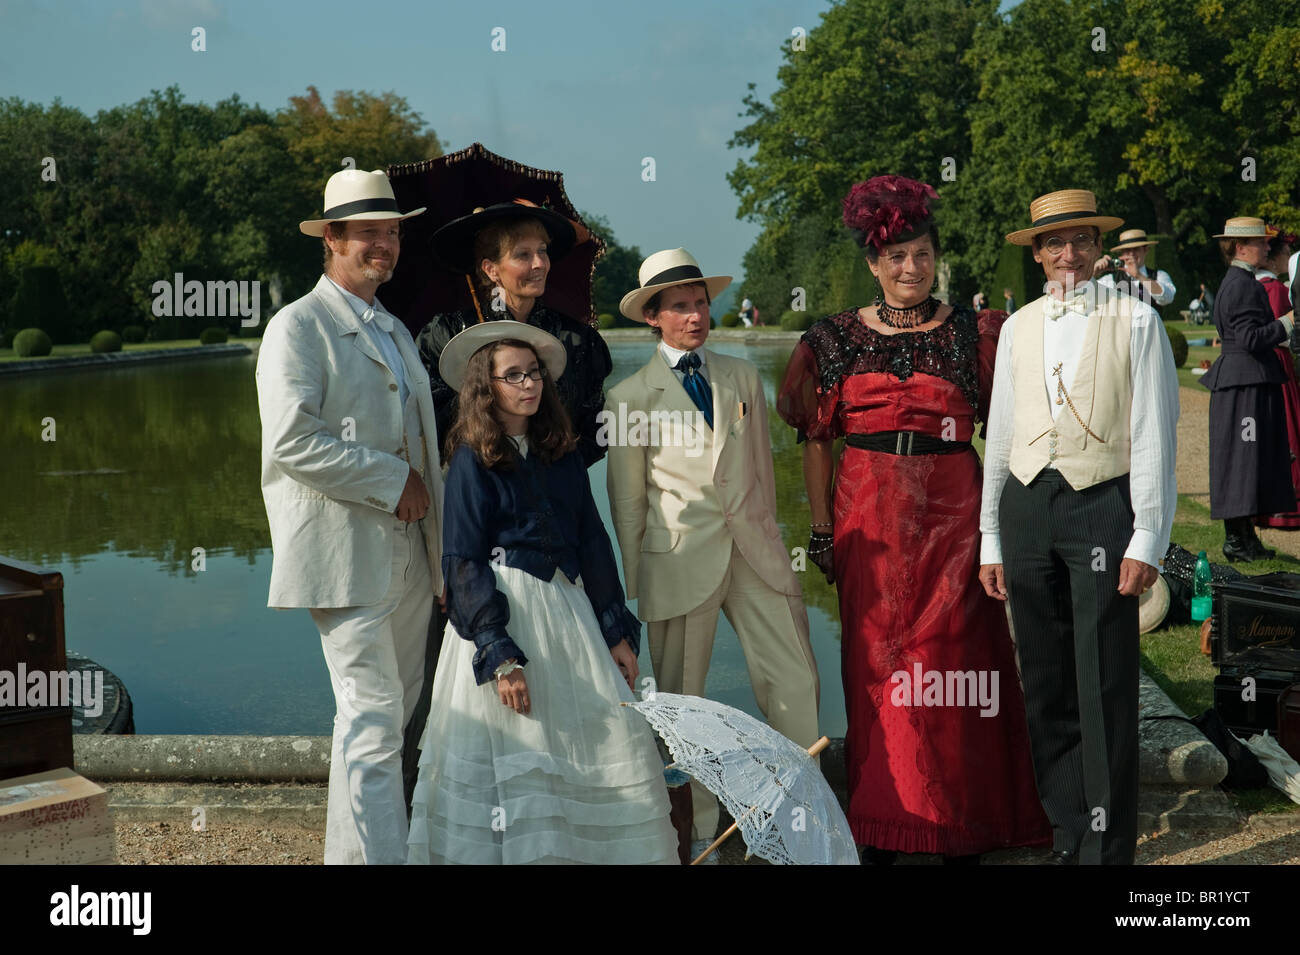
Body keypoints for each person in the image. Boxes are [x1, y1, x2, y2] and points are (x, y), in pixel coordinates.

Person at [777, 175, 1049, 864]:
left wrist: (1001, 533)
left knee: (956, 667)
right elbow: (816, 441)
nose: (910, 268)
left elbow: (1016, 429)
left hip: (955, 517)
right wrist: (818, 532)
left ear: (936, 257)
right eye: (896, 257)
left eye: (922, 254)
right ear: (873, 264)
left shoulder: (976, 333)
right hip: (866, 518)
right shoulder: (832, 340)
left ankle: (959, 825)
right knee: (876, 667)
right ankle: (884, 821)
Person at [407, 322, 679, 865]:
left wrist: (615, 629)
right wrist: (498, 650)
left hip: (567, 611)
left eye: (533, 373)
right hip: (506, 616)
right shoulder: (470, 459)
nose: (529, 384)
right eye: (514, 376)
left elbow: (592, 540)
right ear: (487, 387)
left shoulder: (561, 452)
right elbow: (461, 558)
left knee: (597, 740)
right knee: (519, 748)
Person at [979, 189, 1180, 865]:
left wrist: (1147, 535)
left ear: (1098, 248)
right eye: (1054, 243)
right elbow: (1000, 436)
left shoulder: (1136, 320)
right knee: (1047, 682)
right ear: (1035, 254)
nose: (1068, 254)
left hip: (1102, 505)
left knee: (1105, 687)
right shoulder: (1015, 327)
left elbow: (1155, 433)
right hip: (1027, 510)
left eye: (1081, 241)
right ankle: (1068, 835)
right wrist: (990, 537)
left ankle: (1107, 851)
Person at [605, 248, 821, 859]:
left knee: (796, 681)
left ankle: (797, 821)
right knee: (683, 708)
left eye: (701, 303)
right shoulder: (627, 398)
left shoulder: (742, 376)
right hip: (676, 561)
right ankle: (700, 833)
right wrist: (636, 582)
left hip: (755, 553)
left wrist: (775, 542)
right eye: (680, 306)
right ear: (653, 316)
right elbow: (627, 500)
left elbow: (759, 474)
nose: (696, 315)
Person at [256, 168, 444, 864]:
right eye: (369, 231)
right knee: (372, 724)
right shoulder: (296, 327)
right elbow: (291, 440)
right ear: (331, 237)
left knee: (378, 727)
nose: (385, 243)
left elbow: (425, 443)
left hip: (409, 563)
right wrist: (393, 479)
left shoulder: (395, 329)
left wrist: (441, 547)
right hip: (344, 560)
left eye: (392, 231)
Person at [415, 201, 613, 467]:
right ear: (491, 269)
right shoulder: (448, 336)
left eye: (542, 251)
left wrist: (557, 470)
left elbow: (596, 428)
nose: (540, 264)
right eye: (523, 255)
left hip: (556, 494)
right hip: (479, 489)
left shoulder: (578, 340)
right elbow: (426, 424)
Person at [1201, 217, 1298, 558]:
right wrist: (1288, 322)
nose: (1268, 246)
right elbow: (1249, 339)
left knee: (1247, 459)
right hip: (1244, 382)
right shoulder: (1241, 284)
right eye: (1261, 242)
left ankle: (1244, 538)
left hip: (1247, 379)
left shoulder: (1240, 281)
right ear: (1240, 247)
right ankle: (1237, 540)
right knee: (1242, 459)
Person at [1095, 228, 1177, 316]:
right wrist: (1093, 272)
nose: (1131, 254)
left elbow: (1167, 298)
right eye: (1127, 250)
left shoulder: (1159, 275)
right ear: (1122, 253)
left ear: (1146, 250)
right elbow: (1086, 298)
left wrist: (1139, 276)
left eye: (1136, 249)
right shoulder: (1111, 279)